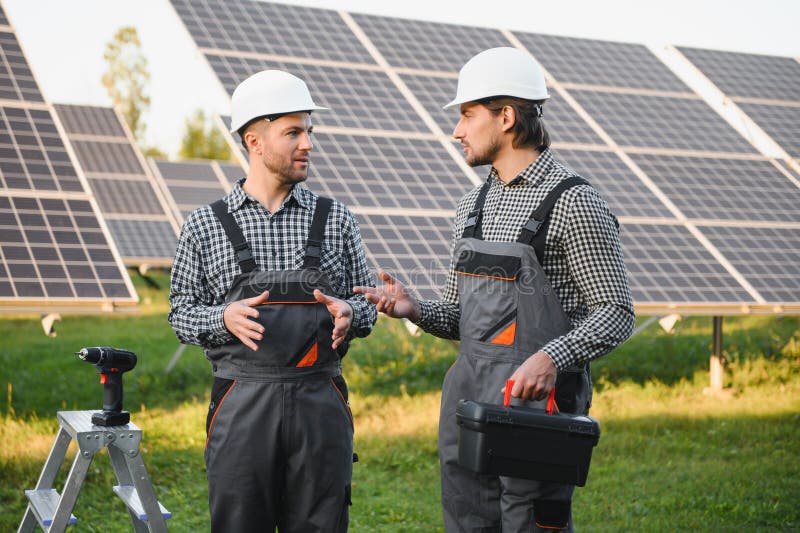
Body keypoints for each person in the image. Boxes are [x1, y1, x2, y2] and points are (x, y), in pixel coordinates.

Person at [355, 47, 634, 532]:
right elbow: (463, 319)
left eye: (467, 114)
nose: (457, 130)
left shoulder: (574, 203)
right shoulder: (471, 206)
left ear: (506, 117)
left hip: (539, 407)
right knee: (467, 520)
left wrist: (551, 359)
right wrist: (415, 309)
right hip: (470, 399)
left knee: (530, 522)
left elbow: (616, 312)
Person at [168, 69, 376, 532]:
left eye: (309, 131)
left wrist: (352, 312)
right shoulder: (204, 226)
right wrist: (223, 317)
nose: (308, 144)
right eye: (293, 132)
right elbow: (180, 314)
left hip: (320, 403)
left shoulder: (337, 219)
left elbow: (366, 304)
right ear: (254, 141)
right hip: (241, 406)